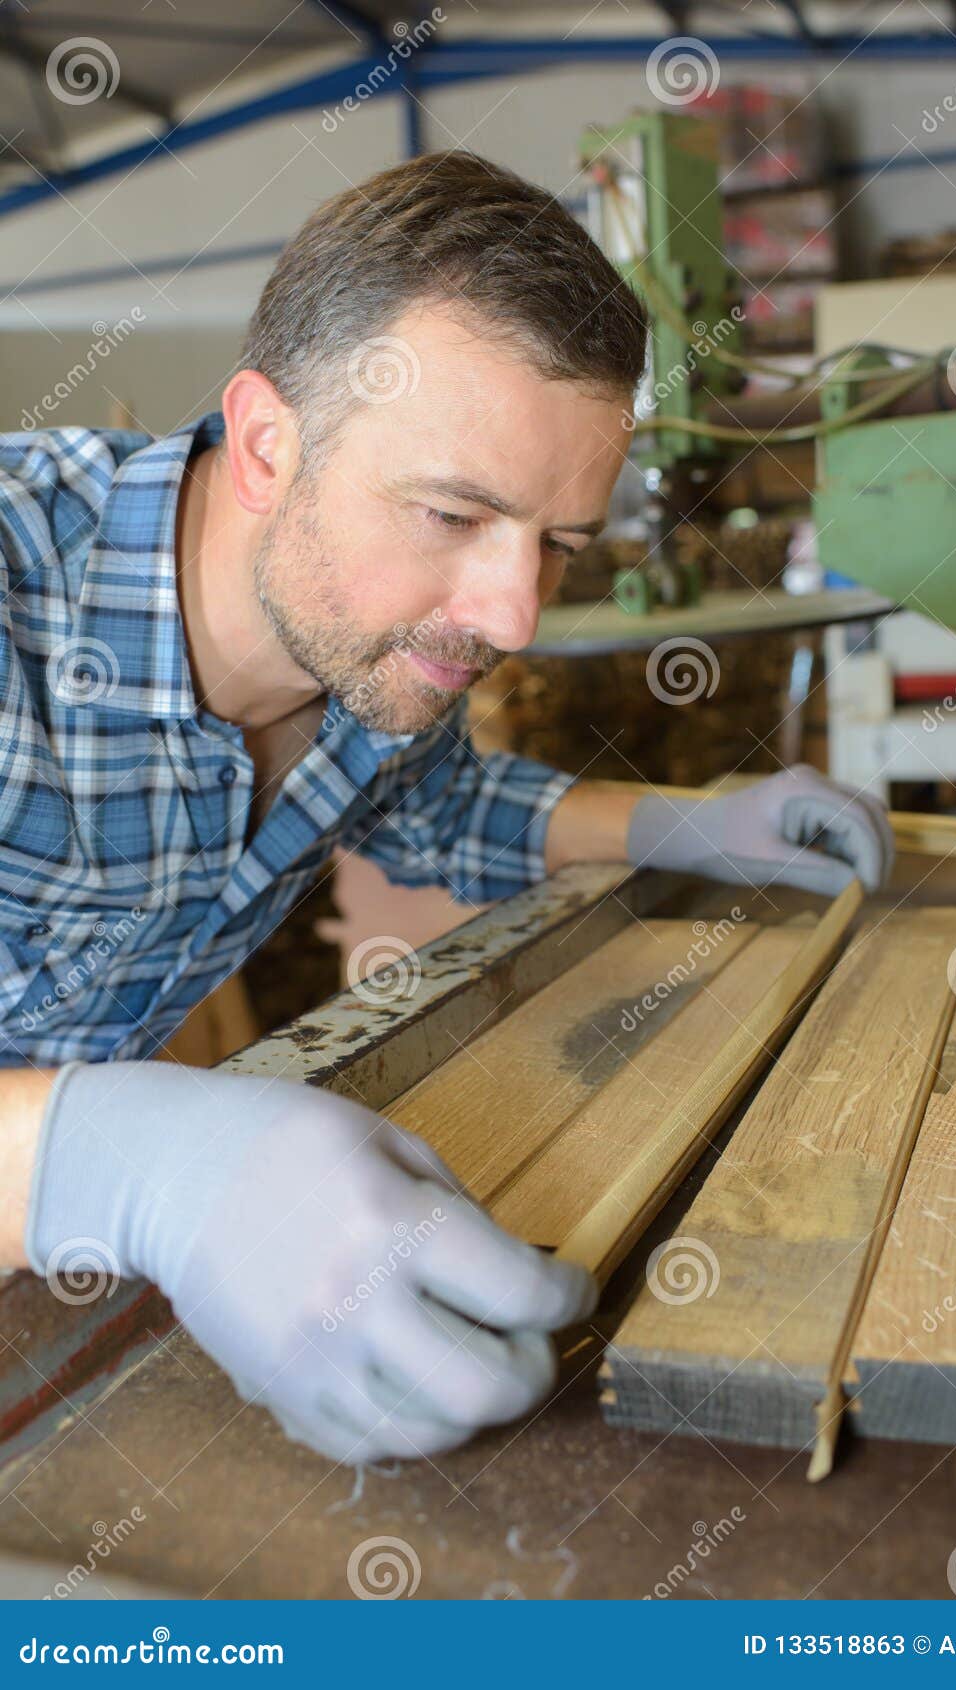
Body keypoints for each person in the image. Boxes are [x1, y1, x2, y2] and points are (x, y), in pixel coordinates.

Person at [0, 151, 892, 1468]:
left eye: (557, 546)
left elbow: (450, 803)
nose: (514, 614)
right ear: (266, 444)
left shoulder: (362, 653)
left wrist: (682, 823)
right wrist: (126, 1165)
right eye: (454, 512)